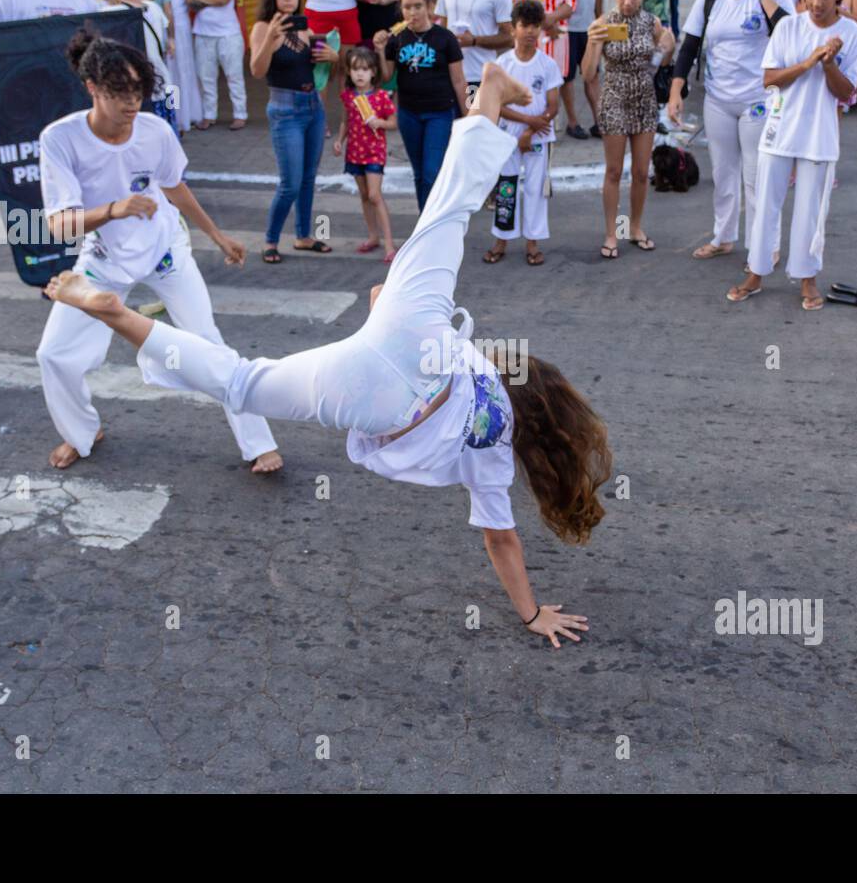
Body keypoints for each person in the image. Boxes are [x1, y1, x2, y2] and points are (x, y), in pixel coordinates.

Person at [42, 62, 611, 648]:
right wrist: (531, 612)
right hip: (376, 396)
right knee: (239, 382)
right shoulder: (492, 451)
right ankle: (119, 314)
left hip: (419, 331)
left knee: (450, 210)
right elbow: (501, 541)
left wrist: (384, 317)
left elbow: (379, 296)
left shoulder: (482, 369)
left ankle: (487, 96)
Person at [35, 32, 282, 472]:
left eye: (138, 92)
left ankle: (259, 444)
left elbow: (174, 186)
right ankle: (81, 431)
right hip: (103, 260)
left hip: (165, 251)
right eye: (120, 93)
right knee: (52, 354)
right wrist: (115, 210)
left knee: (208, 343)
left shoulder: (155, 130)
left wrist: (217, 235)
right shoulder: (60, 139)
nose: (132, 104)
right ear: (92, 87)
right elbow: (58, 224)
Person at [726, 0, 857, 310]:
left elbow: (847, 93)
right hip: (779, 129)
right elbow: (769, 79)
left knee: (810, 211)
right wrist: (809, 62)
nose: (817, 3)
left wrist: (830, 63)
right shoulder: (788, 27)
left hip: (820, 134)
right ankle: (756, 273)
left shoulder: (852, 34)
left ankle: (807, 278)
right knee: (765, 207)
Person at [667, 0, 795, 261]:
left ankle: (765, 244)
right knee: (723, 174)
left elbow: (790, 35)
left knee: (755, 176)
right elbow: (690, 44)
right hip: (718, 100)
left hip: (758, 100)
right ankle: (723, 237)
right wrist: (676, 89)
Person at [581, 0, 675, 258]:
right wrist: (593, 43)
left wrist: (669, 48)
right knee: (613, 171)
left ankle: (634, 227)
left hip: (645, 100)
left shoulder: (652, 23)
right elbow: (587, 74)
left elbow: (663, 61)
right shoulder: (603, 23)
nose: (627, 2)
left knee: (640, 171)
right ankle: (613, 233)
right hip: (615, 101)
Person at [249, 0, 339, 262]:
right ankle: (270, 240)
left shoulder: (304, 28)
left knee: (308, 179)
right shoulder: (263, 27)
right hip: (285, 111)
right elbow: (257, 70)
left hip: (313, 107)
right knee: (290, 182)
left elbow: (318, 68)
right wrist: (270, 38)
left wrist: (331, 57)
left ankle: (303, 236)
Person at [374, 0, 467, 210]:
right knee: (418, 173)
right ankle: (424, 221)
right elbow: (386, 78)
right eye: (407, 7)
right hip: (408, 114)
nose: (412, 12)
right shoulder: (396, 39)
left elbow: (459, 80)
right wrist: (379, 49)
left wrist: (469, 114)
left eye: (417, 6)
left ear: (429, 6)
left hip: (440, 113)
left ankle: (432, 223)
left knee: (431, 172)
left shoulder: (446, 38)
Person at [484, 0, 562, 266]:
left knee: (535, 190)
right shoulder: (502, 65)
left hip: (538, 137)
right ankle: (501, 240)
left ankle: (532, 243)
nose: (530, 31)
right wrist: (526, 122)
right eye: (524, 25)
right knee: (507, 188)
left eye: (535, 26)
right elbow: (496, 105)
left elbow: (553, 105)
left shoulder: (548, 64)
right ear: (513, 29)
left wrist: (532, 129)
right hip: (508, 136)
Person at [334, 47, 398, 260]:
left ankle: (389, 244)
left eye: (364, 69)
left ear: (373, 72)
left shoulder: (381, 97)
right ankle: (373, 236)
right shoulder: (348, 96)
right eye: (355, 69)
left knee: (374, 195)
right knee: (363, 195)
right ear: (349, 72)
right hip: (354, 152)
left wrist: (379, 122)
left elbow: (393, 122)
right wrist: (339, 140)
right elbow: (345, 121)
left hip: (374, 152)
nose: (360, 74)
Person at [104, 0, 174, 129]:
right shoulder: (154, 8)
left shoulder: (109, 15)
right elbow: (163, 46)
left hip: (139, 95)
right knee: (170, 142)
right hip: (166, 87)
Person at [185, 0, 245, 131]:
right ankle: (209, 115)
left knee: (233, 75)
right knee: (206, 77)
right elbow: (189, 1)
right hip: (203, 32)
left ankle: (240, 114)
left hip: (228, 32)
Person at [148, 0, 200, 131]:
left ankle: (188, 114)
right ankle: (172, 113)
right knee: (167, 71)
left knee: (184, 69)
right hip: (157, 19)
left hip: (181, 19)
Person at [555, 0, 603, 139]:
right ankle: (572, 122)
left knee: (592, 75)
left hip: (589, 25)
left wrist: (600, 16)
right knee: (567, 78)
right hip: (567, 25)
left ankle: (599, 122)